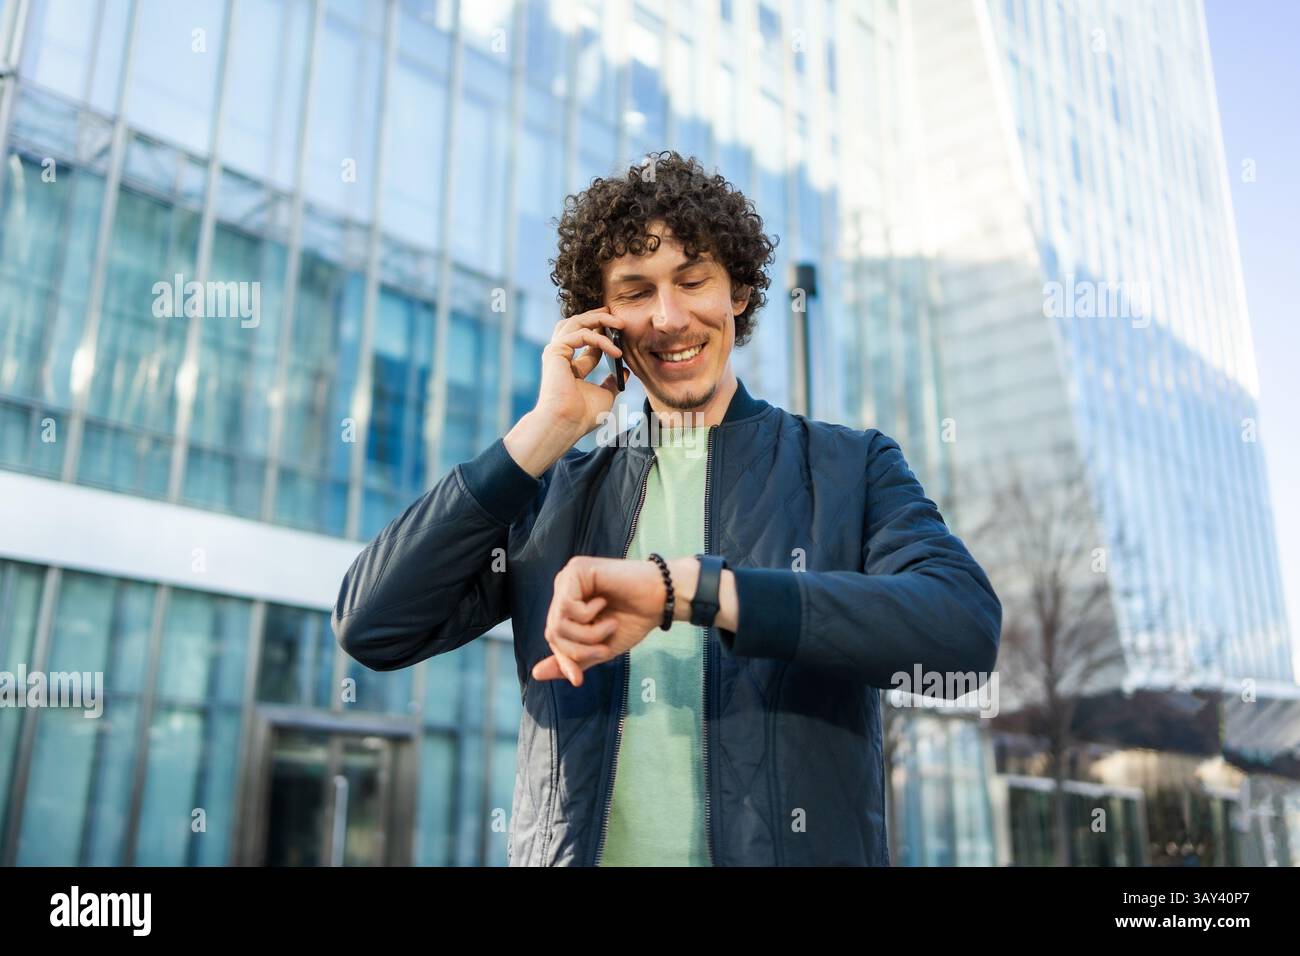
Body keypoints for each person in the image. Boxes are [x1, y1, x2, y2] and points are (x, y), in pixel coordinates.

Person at [332, 150, 1001, 866]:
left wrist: (696, 593)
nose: (670, 318)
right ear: (601, 319)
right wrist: (544, 432)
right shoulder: (554, 494)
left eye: (692, 280)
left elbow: (962, 636)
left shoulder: (850, 468)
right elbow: (374, 626)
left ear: (738, 290)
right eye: (635, 291)